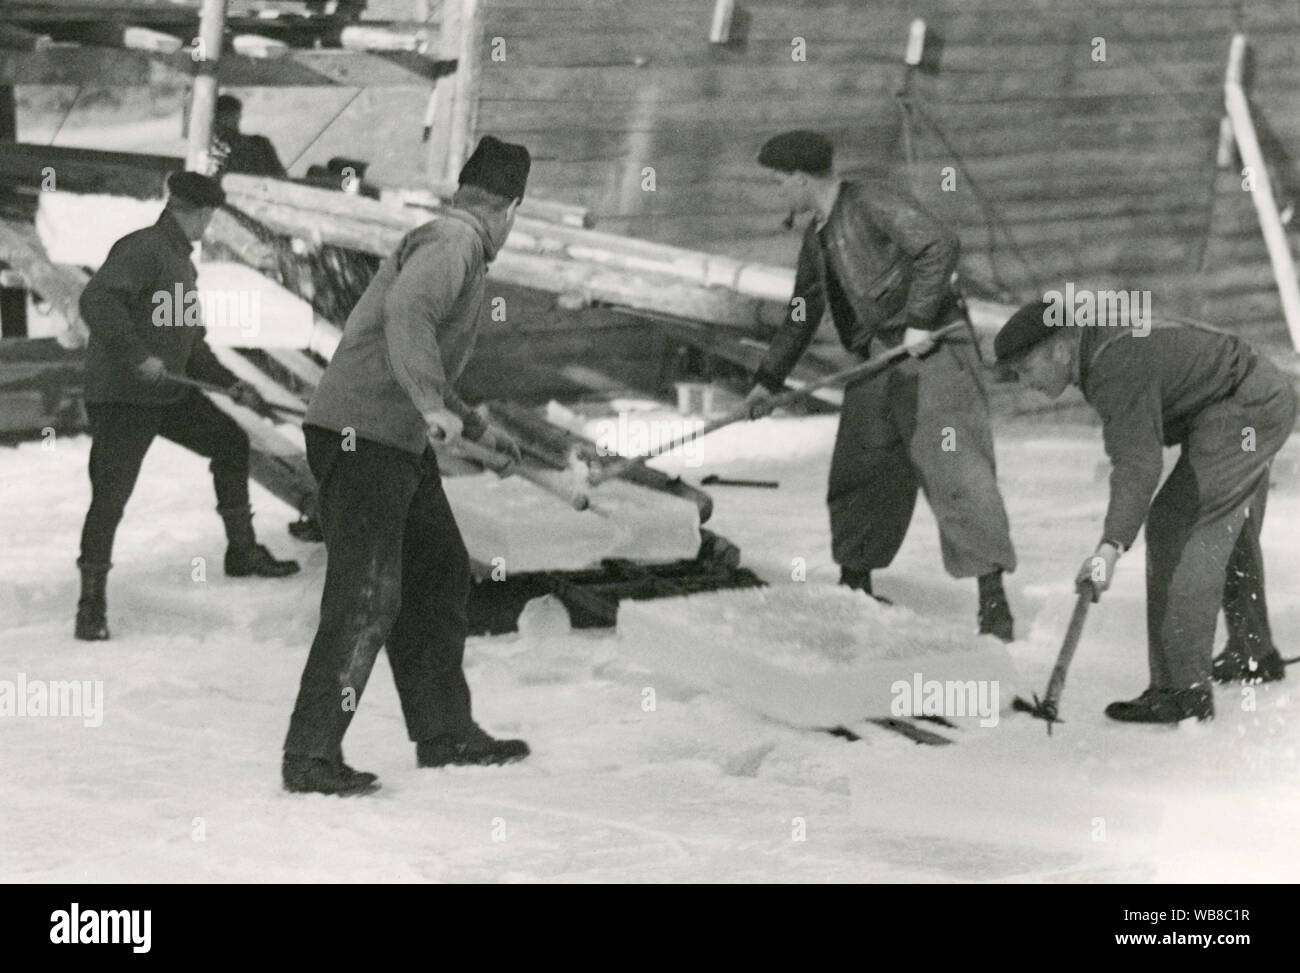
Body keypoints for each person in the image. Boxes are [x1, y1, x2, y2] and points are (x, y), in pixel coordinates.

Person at [281, 136, 533, 796]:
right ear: (509, 208)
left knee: (437, 571)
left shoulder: (454, 242)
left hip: (391, 440)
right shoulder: (455, 243)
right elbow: (407, 312)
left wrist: (476, 427)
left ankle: (444, 730)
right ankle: (311, 755)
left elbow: (421, 347)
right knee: (369, 593)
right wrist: (428, 402)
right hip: (361, 435)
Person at [742, 130, 1017, 639]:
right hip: (876, 358)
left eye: (780, 182)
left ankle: (993, 604)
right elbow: (802, 313)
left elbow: (939, 244)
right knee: (860, 468)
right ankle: (855, 586)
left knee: (954, 469)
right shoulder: (817, 237)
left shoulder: (869, 200)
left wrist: (918, 321)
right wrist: (766, 381)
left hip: (931, 348)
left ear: (803, 179)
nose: (779, 192)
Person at [995, 298, 1296, 723]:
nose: (1025, 382)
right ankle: (1253, 653)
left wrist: (1110, 547)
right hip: (1251, 397)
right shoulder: (1101, 345)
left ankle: (1180, 692)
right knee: (1225, 520)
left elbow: (1138, 464)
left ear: (1059, 349)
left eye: (1026, 369)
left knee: (1181, 526)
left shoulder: (1112, 364)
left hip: (1246, 410)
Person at [75, 171, 300, 642]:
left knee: (230, 441)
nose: (209, 225)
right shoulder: (142, 249)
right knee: (111, 496)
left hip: (168, 394)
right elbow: (97, 300)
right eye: (209, 216)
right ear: (194, 212)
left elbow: (192, 348)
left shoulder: (180, 262)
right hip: (123, 398)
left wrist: (234, 386)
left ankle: (242, 551)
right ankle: (90, 604)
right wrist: (137, 358)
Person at [211, 94, 287, 178]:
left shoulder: (260, 144)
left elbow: (280, 176)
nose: (234, 119)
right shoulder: (210, 148)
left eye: (233, 115)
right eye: (225, 116)